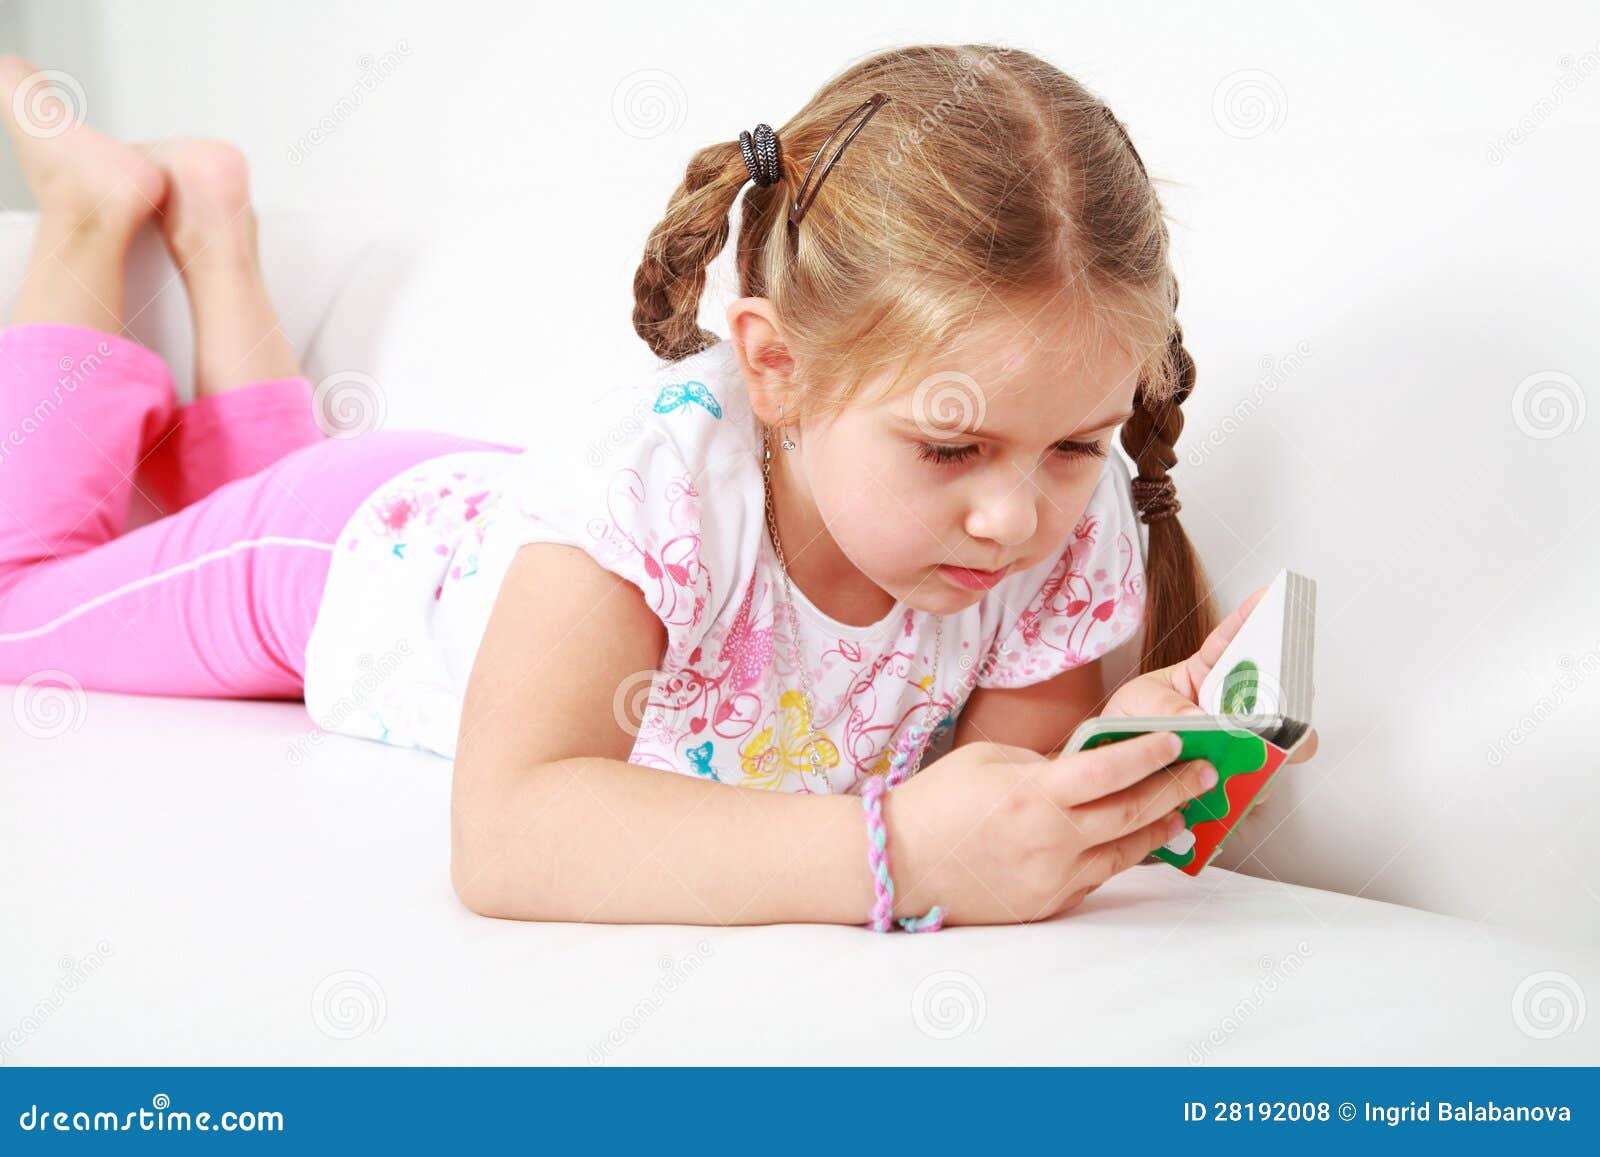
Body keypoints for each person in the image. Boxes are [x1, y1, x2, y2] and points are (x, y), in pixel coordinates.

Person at [0, 45, 1316, 932]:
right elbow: (509, 831)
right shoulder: (662, 492)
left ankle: (216, 236)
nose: (1016, 517)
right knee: (18, 612)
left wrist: (1112, 774)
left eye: (1075, 445)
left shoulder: (1045, 526)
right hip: (346, 554)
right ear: (778, 369)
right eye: (951, 448)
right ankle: (88, 215)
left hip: (491, 528)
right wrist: (895, 856)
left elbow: (989, 807)